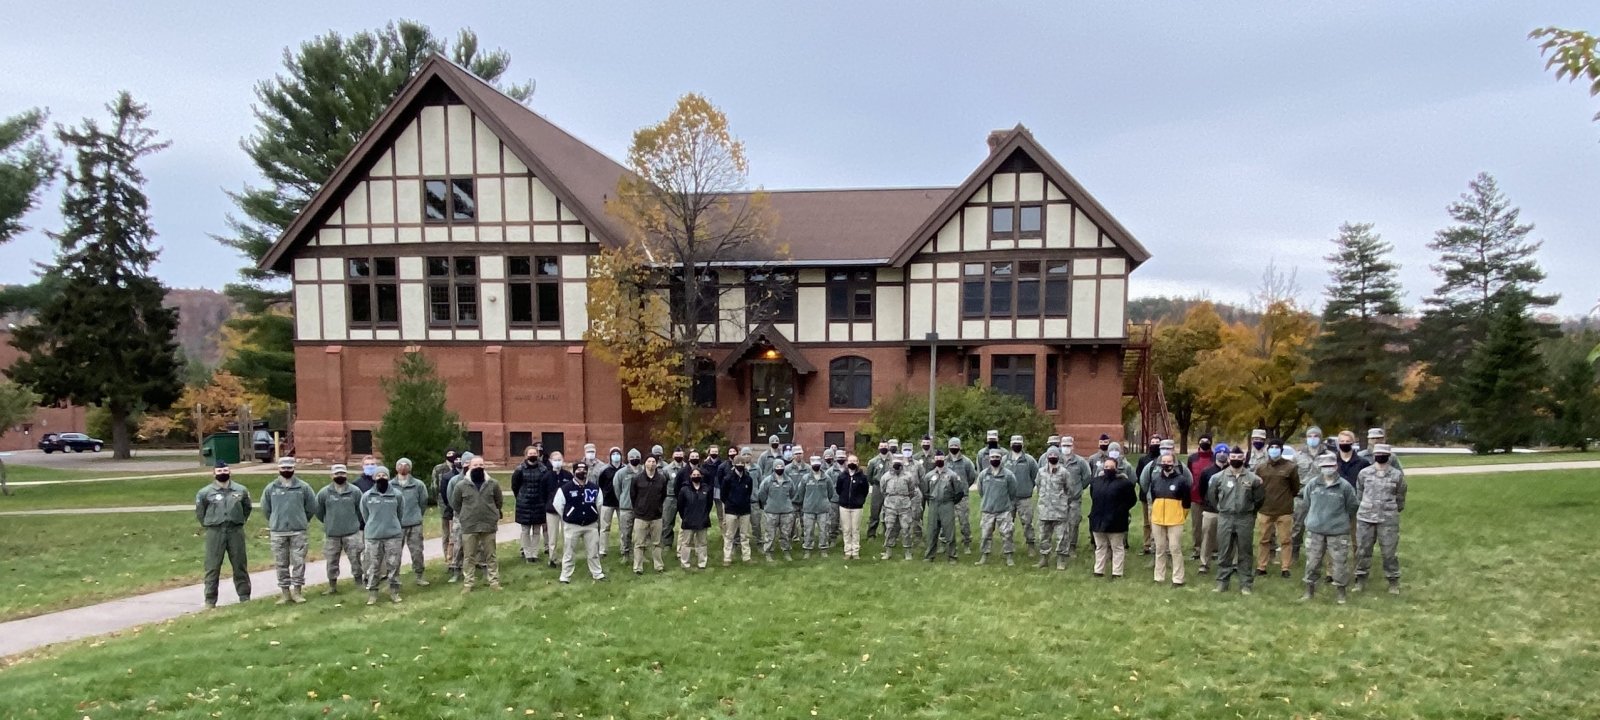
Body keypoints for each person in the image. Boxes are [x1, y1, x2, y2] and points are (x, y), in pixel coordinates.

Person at [1301, 454, 1359, 604]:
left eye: (1331, 466)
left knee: (1339, 563)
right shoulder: (1312, 484)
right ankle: (1309, 591)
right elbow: (1306, 502)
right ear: (1320, 468)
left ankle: (1341, 593)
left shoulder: (1345, 486)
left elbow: (1352, 505)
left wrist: (1340, 520)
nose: (1328, 469)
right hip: (1315, 530)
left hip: (1338, 532)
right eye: (1325, 466)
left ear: (1336, 466)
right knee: (1312, 562)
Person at [1207, 446, 1265, 595]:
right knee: (1224, 550)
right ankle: (1222, 583)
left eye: (1239, 458)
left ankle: (1246, 584)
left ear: (1244, 459)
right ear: (1228, 458)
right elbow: (1212, 496)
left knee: (1245, 551)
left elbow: (1259, 499)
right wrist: (1221, 508)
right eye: (1233, 457)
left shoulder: (1253, 479)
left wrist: (1251, 511)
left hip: (1245, 518)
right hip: (1225, 517)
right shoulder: (1218, 477)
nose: (1236, 460)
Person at [195, 461, 251, 608]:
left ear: (230, 472)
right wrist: (210, 523)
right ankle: (210, 600)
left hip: (235, 531)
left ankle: (244, 596)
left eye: (225, 470)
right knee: (212, 566)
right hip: (215, 531)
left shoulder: (241, 490)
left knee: (239, 564)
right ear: (214, 474)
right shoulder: (205, 493)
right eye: (219, 471)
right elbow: (201, 513)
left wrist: (239, 520)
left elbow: (247, 508)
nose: (222, 474)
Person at [1353, 444, 1407, 595]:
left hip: (1388, 519)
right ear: (1374, 455)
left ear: (1389, 456)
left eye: (1383, 453)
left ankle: (1393, 582)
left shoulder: (1396, 475)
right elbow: (1359, 493)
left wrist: (1391, 510)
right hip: (1365, 518)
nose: (1380, 456)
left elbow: (1401, 497)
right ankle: (1360, 580)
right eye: (1378, 453)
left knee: (1389, 552)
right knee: (1363, 551)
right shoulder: (1364, 473)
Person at [262, 456, 317, 604]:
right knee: (281, 563)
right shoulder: (271, 488)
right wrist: (276, 520)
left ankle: (298, 591)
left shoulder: (303, 487)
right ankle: (285, 593)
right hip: (278, 532)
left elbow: (311, 507)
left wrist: (301, 520)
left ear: (293, 468)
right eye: (283, 468)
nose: (286, 470)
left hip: (298, 531)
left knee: (298, 562)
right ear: (279, 469)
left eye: (289, 468)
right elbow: (266, 509)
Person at [449, 456, 504, 592]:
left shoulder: (493, 484)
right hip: (469, 525)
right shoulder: (461, 485)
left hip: (488, 524)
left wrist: (493, 514)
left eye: (481, 465)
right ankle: (468, 583)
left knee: (491, 555)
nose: (478, 467)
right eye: (475, 465)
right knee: (469, 556)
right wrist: (466, 515)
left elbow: (499, 501)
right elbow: (456, 504)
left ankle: (494, 581)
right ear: (469, 467)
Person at [1255, 438, 1302, 579]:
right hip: (1265, 509)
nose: (1274, 449)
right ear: (1268, 449)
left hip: (1284, 510)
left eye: (1277, 447)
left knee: (1286, 540)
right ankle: (1261, 566)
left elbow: (1295, 488)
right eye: (1272, 447)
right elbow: (1257, 487)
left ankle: (1285, 567)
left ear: (1281, 450)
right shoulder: (1261, 467)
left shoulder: (1291, 467)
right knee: (1264, 539)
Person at [358, 466, 405, 605]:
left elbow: (400, 513)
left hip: (393, 536)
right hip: (373, 536)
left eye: (384, 475)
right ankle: (373, 593)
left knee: (394, 564)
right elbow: (365, 515)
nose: (381, 478)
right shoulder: (367, 496)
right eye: (378, 476)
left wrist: (393, 524)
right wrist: (374, 525)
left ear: (388, 477)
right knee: (373, 565)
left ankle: (394, 592)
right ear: (374, 478)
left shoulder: (397, 495)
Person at [315, 464, 364, 596]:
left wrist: (353, 523)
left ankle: (359, 582)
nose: (340, 476)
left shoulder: (355, 491)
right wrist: (329, 523)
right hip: (332, 534)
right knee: (331, 561)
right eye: (337, 474)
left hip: (352, 533)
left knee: (356, 559)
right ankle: (332, 586)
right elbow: (319, 512)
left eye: (342, 473)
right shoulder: (324, 493)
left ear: (346, 475)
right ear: (331, 476)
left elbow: (361, 511)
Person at [554, 460, 606, 584]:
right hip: (572, 526)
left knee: (593, 551)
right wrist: (569, 515)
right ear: (574, 472)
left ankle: (597, 574)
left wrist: (592, 513)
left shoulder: (594, 488)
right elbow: (558, 505)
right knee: (569, 552)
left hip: (591, 525)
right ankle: (565, 577)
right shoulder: (565, 489)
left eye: (584, 470)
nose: (581, 472)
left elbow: (599, 504)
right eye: (578, 470)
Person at [1088, 457, 1137, 579]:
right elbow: (1093, 496)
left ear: (1116, 468)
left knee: (1117, 547)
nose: (1108, 469)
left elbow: (1132, 500)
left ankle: (1117, 572)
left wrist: (1121, 510)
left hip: (1117, 520)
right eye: (1106, 467)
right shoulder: (1096, 482)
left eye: (1111, 467)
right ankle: (1098, 570)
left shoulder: (1124, 483)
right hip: (1098, 519)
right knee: (1100, 546)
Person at [1148, 453, 1192, 587]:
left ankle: (1178, 579)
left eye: (1169, 461)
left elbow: (1187, 502)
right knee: (1160, 549)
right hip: (1158, 520)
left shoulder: (1181, 480)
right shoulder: (1156, 479)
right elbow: (1154, 497)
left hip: (1175, 520)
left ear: (1174, 463)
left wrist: (1180, 515)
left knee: (1175, 549)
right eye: (1164, 461)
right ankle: (1158, 577)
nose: (1166, 464)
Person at [976, 448, 1019, 566]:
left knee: (1007, 534)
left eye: (997, 458)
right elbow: (980, 491)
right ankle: (984, 556)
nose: (994, 460)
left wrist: (1005, 502)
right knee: (985, 535)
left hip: (1004, 510)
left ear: (1001, 459)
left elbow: (1013, 491)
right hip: (988, 510)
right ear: (989, 459)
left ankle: (1009, 556)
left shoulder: (1008, 475)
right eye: (992, 458)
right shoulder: (983, 475)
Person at [922, 450, 967, 563]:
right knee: (932, 531)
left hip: (947, 505)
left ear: (944, 460)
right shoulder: (929, 475)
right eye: (937, 459)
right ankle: (929, 556)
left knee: (949, 532)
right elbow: (925, 492)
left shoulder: (952, 475)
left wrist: (951, 502)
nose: (939, 461)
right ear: (934, 460)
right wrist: (932, 501)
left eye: (941, 458)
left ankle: (952, 556)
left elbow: (959, 492)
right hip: (933, 505)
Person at [391, 458, 431, 586]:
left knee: (417, 551)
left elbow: (423, 501)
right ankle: (394, 578)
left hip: (415, 524)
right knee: (395, 553)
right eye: (401, 465)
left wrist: (417, 515)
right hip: (397, 525)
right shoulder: (390, 485)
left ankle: (419, 576)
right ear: (396, 468)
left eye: (406, 465)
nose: (403, 467)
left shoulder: (418, 485)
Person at [1193, 443, 1229, 574]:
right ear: (1215, 454)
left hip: (1228, 511)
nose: (1222, 454)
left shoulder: (1231, 471)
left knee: (1229, 539)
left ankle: (1230, 563)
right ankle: (1204, 563)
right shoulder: (1207, 472)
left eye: (1225, 452)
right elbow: (1202, 491)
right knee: (1207, 538)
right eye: (1219, 452)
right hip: (1210, 510)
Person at [1034, 449, 1074, 570]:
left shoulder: (1064, 473)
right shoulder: (1041, 472)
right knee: (1043, 537)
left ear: (1058, 456)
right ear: (1046, 456)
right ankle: (1044, 559)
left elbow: (1070, 490)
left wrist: (1063, 502)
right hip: (1044, 510)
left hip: (1059, 511)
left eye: (1054, 455)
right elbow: (1038, 485)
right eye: (1050, 455)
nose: (1052, 456)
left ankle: (1061, 560)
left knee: (1062, 537)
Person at [878, 451, 921, 561]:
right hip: (890, 507)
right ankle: (888, 551)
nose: (897, 465)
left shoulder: (908, 476)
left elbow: (912, 490)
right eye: (895, 463)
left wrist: (904, 499)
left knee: (906, 529)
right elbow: (882, 490)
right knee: (890, 529)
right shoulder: (885, 477)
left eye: (899, 463)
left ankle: (907, 552)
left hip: (905, 507)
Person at [512, 445, 551, 565]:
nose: (533, 455)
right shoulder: (519, 470)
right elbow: (515, 486)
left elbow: (546, 486)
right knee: (525, 530)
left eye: (535, 453)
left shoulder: (543, 469)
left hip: (539, 503)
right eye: (530, 453)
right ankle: (527, 553)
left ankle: (534, 553)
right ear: (525, 455)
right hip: (524, 503)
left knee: (536, 530)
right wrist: (521, 497)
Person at [631, 456, 669, 574]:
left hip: (656, 516)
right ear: (644, 463)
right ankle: (638, 567)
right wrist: (639, 508)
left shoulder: (661, 479)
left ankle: (658, 566)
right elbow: (633, 496)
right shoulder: (637, 479)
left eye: (653, 462)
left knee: (657, 543)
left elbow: (663, 495)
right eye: (649, 461)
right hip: (641, 516)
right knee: (639, 544)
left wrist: (658, 508)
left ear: (656, 464)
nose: (651, 464)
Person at [1290, 427, 1324, 561]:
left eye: (1316, 436)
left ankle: (1317, 555)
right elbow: (1292, 477)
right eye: (1310, 436)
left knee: (1319, 527)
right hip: (1301, 497)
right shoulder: (1297, 456)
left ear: (1321, 438)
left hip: (1321, 497)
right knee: (1297, 526)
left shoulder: (1328, 455)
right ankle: (1294, 553)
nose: (1313, 438)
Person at [757, 459, 800, 561]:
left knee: (786, 534)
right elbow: (761, 494)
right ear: (773, 468)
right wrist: (767, 504)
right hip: (771, 511)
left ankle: (786, 551)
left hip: (786, 511)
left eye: (781, 467)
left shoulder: (789, 481)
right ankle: (768, 552)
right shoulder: (767, 481)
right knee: (769, 534)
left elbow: (793, 494)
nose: (779, 469)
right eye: (777, 467)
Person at [720, 450, 757, 565]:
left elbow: (749, 492)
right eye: (738, 464)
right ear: (734, 465)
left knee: (745, 535)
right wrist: (730, 504)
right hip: (731, 511)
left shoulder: (748, 479)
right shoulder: (727, 479)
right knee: (729, 535)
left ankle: (746, 557)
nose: (740, 466)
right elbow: (723, 495)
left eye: (742, 464)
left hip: (745, 511)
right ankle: (727, 557)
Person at [1005, 434, 1040, 557]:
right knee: (1007, 524)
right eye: (1014, 443)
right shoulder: (1005, 460)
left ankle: (1031, 545)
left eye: (1019, 443)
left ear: (1022, 444)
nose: (1016, 445)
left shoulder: (1029, 460)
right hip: (1008, 499)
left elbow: (1036, 476)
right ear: (1010, 445)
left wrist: (1028, 488)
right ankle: (1008, 547)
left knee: (1028, 523)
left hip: (1025, 498)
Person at [434, 450, 465, 583]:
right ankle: (450, 561)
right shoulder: (443, 472)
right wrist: (448, 507)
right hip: (448, 509)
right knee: (449, 536)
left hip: (463, 511)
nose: (456, 460)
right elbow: (439, 490)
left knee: (457, 537)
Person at [1059, 436, 1093, 558]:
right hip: (1059, 499)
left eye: (1068, 446)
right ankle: (1061, 547)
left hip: (1074, 499)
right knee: (1060, 523)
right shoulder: (1057, 460)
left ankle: (1072, 547)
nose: (1066, 448)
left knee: (1074, 523)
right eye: (1064, 445)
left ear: (1073, 446)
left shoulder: (1080, 462)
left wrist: (1078, 489)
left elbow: (1087, 477)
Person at [798, 456, 837, 558]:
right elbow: (801, 493)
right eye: (814, 463)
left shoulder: (826, 478)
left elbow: (831, 492)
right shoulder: (805, 478)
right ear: (810, 464)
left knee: (824, 530)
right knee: (808, 530)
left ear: (820, 463)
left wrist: (824, 501)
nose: (816, 465)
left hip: (823, 509)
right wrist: (807, 502)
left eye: (817, 463)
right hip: (809, 509)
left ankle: (823, 548)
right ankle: (807, 548)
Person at [676, 467, 715, 569]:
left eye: (698, 475)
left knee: (702, 544)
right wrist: (684, 516)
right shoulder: (684, 489)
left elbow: (709, 504)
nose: (696, 477)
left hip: (702, 521)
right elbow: (680, 505)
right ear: (690, 476)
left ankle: (702, 563)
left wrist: (705, 514)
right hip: (688, 521)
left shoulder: (706, 489)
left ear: (701, 476)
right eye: (694, 475)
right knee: (686, 543)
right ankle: (685, 563)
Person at [945, 437, 978, 553]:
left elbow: (972, 477)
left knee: (964, 521)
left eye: (956, 446)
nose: (954, 449)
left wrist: (963, 488)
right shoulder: (944, 461)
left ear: (960, 447)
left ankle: (966, 543)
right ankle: (946, 543)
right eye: (951, 446)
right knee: (947, 521)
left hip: (962, 497)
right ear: (948, 447)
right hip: (948, 497)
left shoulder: (967, 462)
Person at [835, 454, 871, 560]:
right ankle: (847, 551)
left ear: (858, 462)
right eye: (850, 461)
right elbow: (838, 489)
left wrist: (860, 500)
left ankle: (855, 551)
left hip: (857, 507)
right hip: (844, 506)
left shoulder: (862, 477)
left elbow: (865, 491)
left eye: (854, 461)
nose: (852, 463)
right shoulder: (842, 476)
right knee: (846, 529)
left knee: (855, 529)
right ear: (847, 462)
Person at [1186, 434, 1215, 561]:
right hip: (1196, 497)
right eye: (1202, 441)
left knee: (1212, 525)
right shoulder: (1192, 458)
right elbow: (1188, 476)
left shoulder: (1215, 458)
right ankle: (1197, 549)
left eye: (1207, 441)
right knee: (1197, 525)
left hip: (1212, 498)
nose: (1204, 443)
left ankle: (1213, 550)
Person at [544, 451, 573, 566]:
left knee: (567, 535)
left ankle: (567, 558)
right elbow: (543, 494)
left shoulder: (567, 475)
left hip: (565, 510)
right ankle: (552, 558)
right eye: (555, 460)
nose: (557, 462)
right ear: (551, 461)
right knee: (552, 536)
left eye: (559, 459)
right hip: (551, 511)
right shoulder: (546, 476)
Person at [615, 448, 642, 562]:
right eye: (632, 457)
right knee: (626, 533)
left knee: (641, 534)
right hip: (626, 508)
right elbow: (617, 488)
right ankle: (626, 554)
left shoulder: (644, 471)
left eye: (637, 458)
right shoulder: (621, 473)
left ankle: (640, 554)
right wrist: (623, 500)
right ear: (628, 458)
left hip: (641, 508)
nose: (634, 459)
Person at [597, 446, 624, 557]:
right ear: (610, 456)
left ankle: (624, 548)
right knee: (604, 527)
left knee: (623, 527)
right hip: (607, 502)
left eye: (618, 454)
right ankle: (602, 550)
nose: (616, 456)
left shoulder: (624, 469)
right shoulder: (604, 470)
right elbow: (600, 484)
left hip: (621, 502)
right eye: (613, 454)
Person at [866, 440, 890, 539]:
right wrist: (875, 484)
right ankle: (871, 534)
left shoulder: (893, 461)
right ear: (879, 448)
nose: (883, 448)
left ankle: (888, 532)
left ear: (888, 447)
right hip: (877, 487)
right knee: (875, 511)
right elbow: (869, 476)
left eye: (885, 446)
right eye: (881, 446)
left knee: (889, 511)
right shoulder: (873, 461)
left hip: (890, 487)